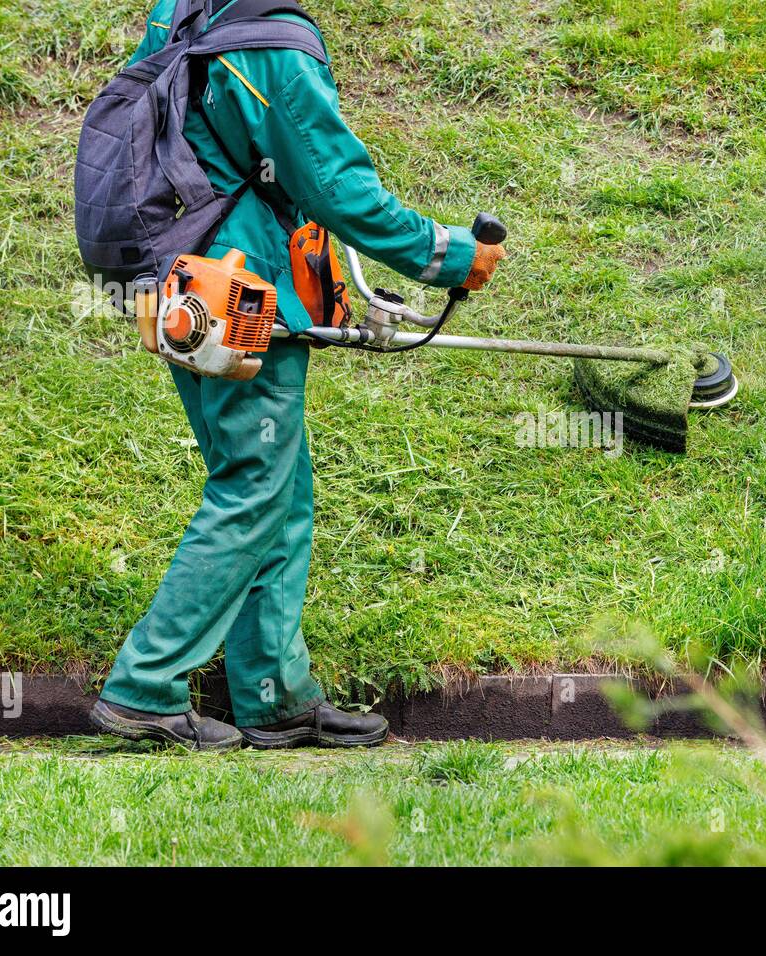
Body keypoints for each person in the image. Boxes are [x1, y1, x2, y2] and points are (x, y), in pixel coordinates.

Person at [89, 0, 506, 750]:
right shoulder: (276, 44)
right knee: (253, 484)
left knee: (279, 485)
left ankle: (273, 693)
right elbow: (337, 187)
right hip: (246, 294)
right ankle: (145, 686)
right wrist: (449, 255)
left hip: (183, 286)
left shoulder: (184, 10)